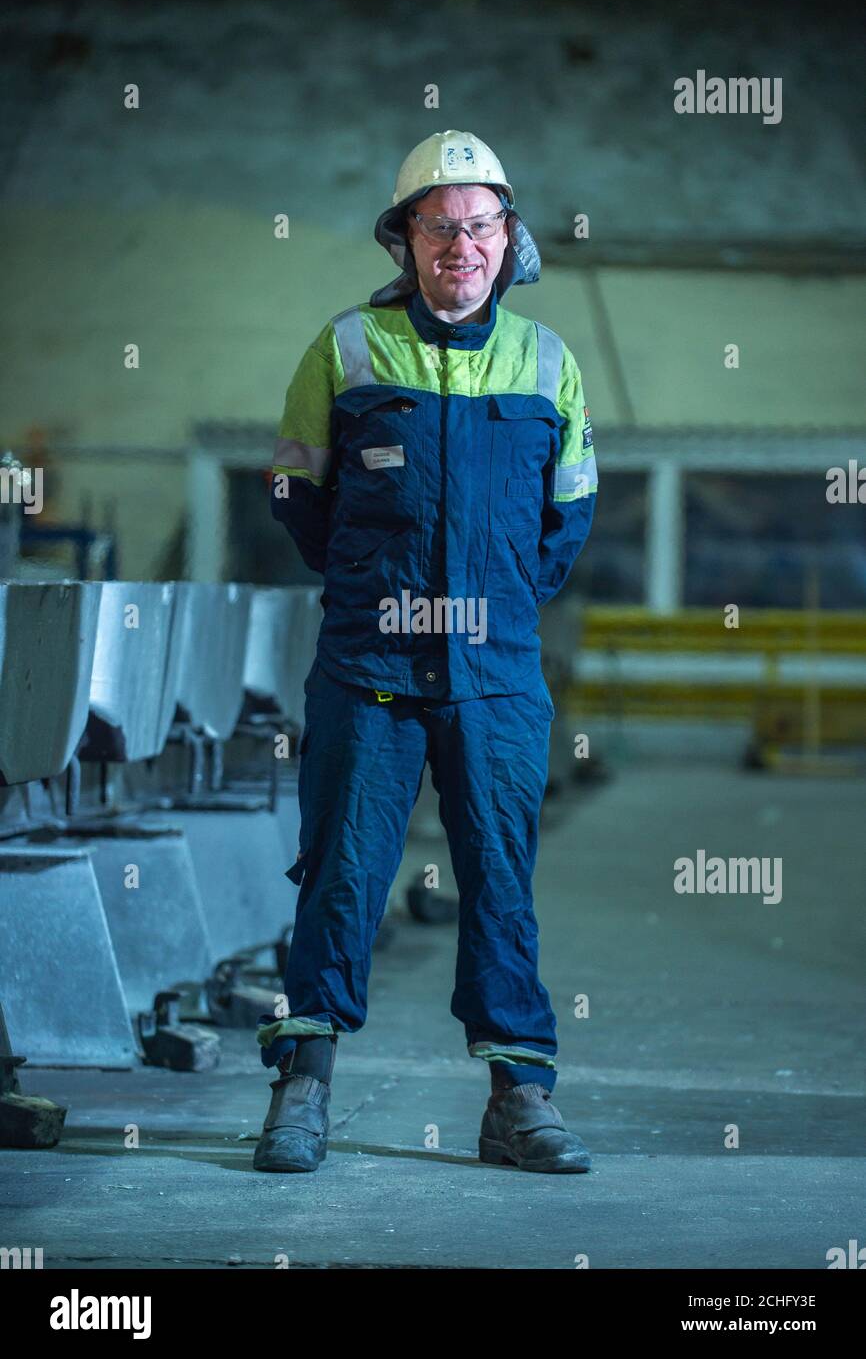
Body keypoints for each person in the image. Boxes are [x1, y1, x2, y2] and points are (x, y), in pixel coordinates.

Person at [254, 129, 598, 1174]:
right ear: (402, 239)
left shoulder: (546, 361)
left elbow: (567, 516)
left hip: (492, 676)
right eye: (437, 225)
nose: (460, 244)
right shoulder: (346, 347)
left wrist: (489, 610)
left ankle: (518, 1098)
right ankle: (301, 1086)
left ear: (508, 238)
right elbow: (294, 492)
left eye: (480, 224)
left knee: (500, 876)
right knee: (341, 872)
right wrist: (373, 595)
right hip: (370, 669)